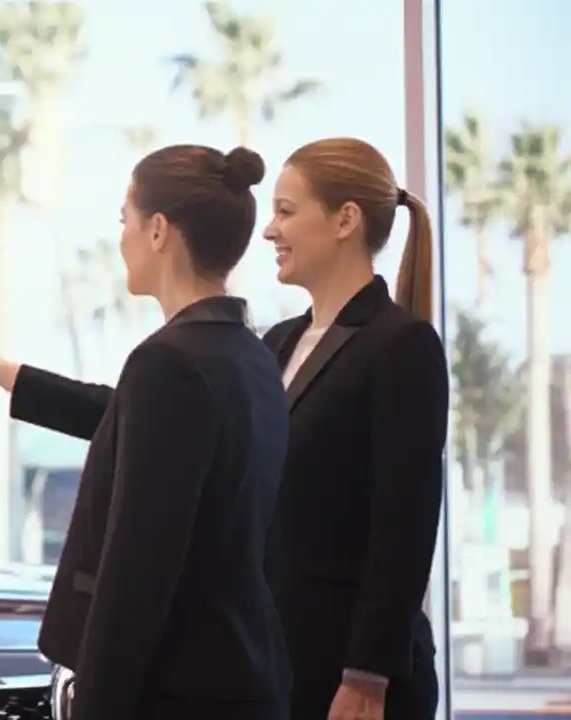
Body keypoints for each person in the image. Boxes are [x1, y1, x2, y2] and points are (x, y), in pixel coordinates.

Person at [0, 144, 293, 719]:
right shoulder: (248, 354)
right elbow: (117, 415)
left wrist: (97, 702)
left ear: (158, 231)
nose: (120, 236)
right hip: (243, 672)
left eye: (126, 219)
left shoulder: (168, 363)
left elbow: (138, 565)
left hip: (179, 689)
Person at [261, 137, 447, 720]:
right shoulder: (277, 344)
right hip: (279, 664)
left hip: (354, 684)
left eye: (286, 211)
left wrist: (367, 675)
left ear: (345, 220)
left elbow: (407, 522)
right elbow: (170, 422)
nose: (269, 230)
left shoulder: (402, 345)